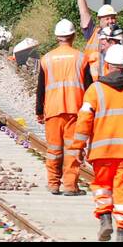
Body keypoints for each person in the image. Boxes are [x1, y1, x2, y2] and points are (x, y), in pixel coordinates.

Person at [72, 43, 123, 241]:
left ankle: (105, 219)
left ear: (106, 65)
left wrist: (78, 147)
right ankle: (122, 233)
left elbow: (84, 119)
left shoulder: (94, 90)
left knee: (103, 186)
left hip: (102, 151)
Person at [35, 19, 86, 196]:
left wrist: (39, 111)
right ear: (73, 36)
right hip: (76, 110)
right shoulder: (81, 58)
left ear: (57, 37)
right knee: (73, 149)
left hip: (53, 109)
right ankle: (70, 186)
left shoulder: (47, 59)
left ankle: (53, 183)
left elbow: (40, 88)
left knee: (54, 149)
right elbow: (89, 87)